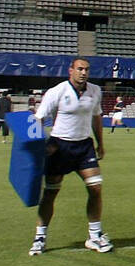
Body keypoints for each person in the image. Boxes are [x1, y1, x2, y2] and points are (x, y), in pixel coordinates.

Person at [27, 58, 111, 255]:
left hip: (84, 146)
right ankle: (40, 237)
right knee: (50, 193)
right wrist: (40, 146)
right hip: (59, 147)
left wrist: (100, 143)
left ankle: (94, 236)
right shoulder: (56, 91)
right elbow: (37, 119)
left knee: (96, 188)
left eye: (87, 69)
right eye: (80, 69)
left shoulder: (95, 91)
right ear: (70, 70)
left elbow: (96, 117)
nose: (83, 72)